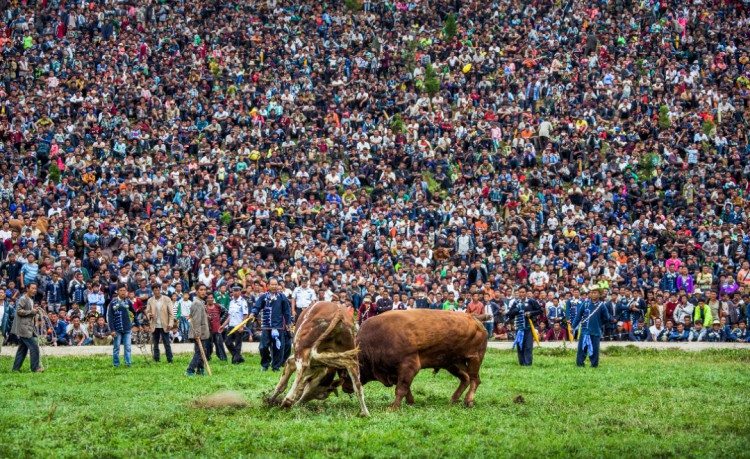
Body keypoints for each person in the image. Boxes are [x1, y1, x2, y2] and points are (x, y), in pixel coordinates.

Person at [250, 278, 292, 372]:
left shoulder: (282, 297)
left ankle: (276, 366)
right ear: (268, 286)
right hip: (266, 326)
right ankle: (265, 364)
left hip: (279, 327)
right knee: (263, 347)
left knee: (278, 348)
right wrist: (253, 313)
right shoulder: (263, 297)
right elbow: (257, 307)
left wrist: (288, 324)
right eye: (272, 284)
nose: (274, 286)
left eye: (276, 284)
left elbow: (287, 312)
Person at [572, 289, 612, 368]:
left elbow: (606, 318)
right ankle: (580, 364)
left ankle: (594, 365)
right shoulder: (585, 304)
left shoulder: (602, 305)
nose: (593, 294)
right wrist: (573, 326)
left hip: (595, 331)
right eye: (591, 293)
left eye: (595, 293)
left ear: (599, 294)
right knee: (582, 348)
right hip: (584, 330)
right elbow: (578, 316)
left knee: (595, 349)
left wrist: (599, 323)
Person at [505, 287, 543, 366]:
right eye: (520, 292)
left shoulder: (531, 301)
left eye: (523, 292)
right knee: (520, 346)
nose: (521, 294)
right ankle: (521, 363)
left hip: (529, 327)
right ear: (518, 293)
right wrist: (517, 309)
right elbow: (509, 314)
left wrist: (530, 313)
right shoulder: (516, 303)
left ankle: (528, 364)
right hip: (519, 328)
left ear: (526, 293)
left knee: (528, 346)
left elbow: (540, 310)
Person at [11, 283, 43, 372]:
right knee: (34, 347)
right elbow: (18, 311)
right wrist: (31, 312)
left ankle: (15, 369)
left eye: (35, 288)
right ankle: (35, 368)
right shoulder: (23, 298)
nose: (34, 290)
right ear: (27, 289)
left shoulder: (30, 299)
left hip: (28, 327)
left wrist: (34, 311)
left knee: (22, 349)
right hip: (23, 328)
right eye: (32, 288)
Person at [107, 285, 136, 368]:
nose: (123, 292)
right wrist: (112, 330)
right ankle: (116, 364)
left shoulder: (128, 302)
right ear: (117, 292)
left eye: (124, 290)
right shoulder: (113, 303)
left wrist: (136, 324)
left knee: (128, 347)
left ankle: (128, 363)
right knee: (116, 348)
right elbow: (110, 317)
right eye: (121, 290)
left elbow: (134, 313)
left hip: (127, 328)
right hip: (117, 329)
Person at [146, 285, 174, 363]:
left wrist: (170, 323)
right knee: (155, 343)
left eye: (158, 290)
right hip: (154, 325)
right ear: (153, 291)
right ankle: (156, 359)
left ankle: (170, 359)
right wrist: (149, 315)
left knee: (167, 343)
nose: (157, 292)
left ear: (160, 290)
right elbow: (147, 311)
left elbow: (171, 313)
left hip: (165, 324)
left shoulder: (167, 299)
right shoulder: (150, 300)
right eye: (155, 290)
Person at [186, 285, 210, 377]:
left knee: (202, 351)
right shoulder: (197, 303)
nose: (203, 292)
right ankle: (190, 370)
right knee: (199, 352)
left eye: (204, 290)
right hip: (199, 333)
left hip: (202, 332)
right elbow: (196, 320)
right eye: (201, 290)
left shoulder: (201, 302)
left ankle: (200, 370)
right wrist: (197, 334)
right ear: (196, 291)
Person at [223, 286, 248, 364]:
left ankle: (236, 360)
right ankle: (238, 357)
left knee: (238, 344)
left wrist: (242, 326)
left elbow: (245, 315)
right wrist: (223, 325)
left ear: (240, 292)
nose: (235, 292)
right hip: (231, 325)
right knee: (227, 342)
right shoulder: (231, 302)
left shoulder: (243, 301)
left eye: (237, 291)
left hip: (238, 326)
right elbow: (229, 316)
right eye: (234, 291)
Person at [205, 295, 227, 361]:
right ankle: (207, 358)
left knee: (219, 344)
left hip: (217, 329)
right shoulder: (204, 307)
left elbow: (226, 312)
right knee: (208, 345)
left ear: (213, 299)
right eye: (208, 298)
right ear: (206, 299)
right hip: (208, 330)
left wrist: (220, 320)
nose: (210, 299)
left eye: (211, 298)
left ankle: (223, 359)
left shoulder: (218, 306)